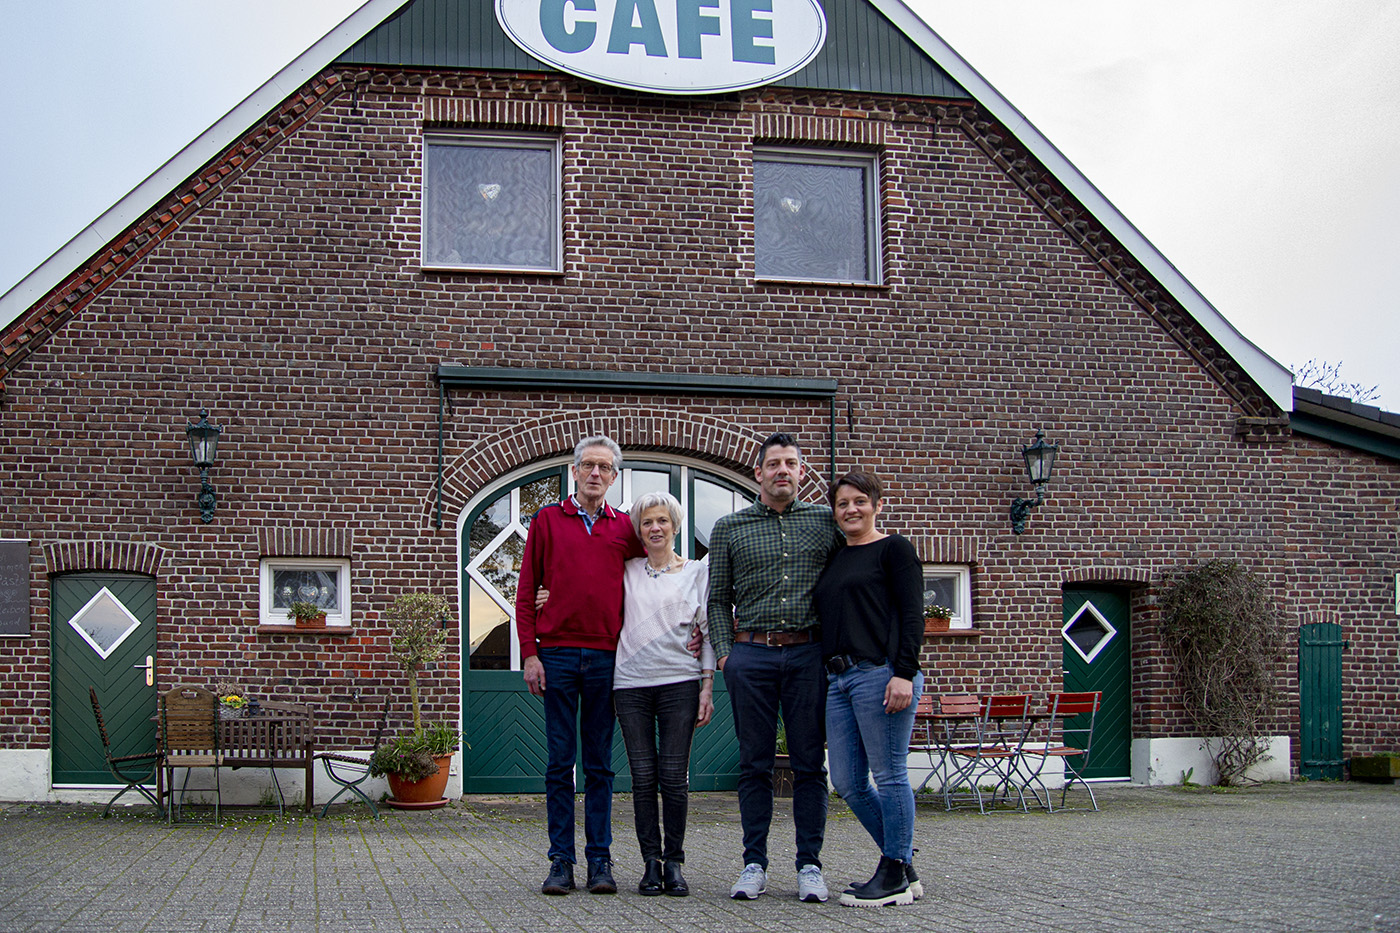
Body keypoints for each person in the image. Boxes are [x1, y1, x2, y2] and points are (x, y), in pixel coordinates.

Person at [707, 432, 844, 903]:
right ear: (758, 472)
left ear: (801, 472)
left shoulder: (828, 523)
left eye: (790, 463)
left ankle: (809, 865)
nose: (781, 470)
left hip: (809, 655)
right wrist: (727, 655)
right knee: (754, 765)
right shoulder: (730, 527)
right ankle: (754, 864)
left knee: (809, 763)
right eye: (773, 464)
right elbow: (717, 599)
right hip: (752, 657)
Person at [515, 435, 644, 896]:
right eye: (587, 465)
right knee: (558, 763)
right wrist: (530, 652)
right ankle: (560, 862)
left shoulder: (624, 529)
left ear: (614, 476)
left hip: (609, 657)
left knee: (600, 766)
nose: (595, 473)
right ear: (574, 471)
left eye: (604, 468)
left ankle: (600, 861)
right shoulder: (547, 521)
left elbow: (654, 575)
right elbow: (527, 590)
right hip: (558, 656)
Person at [813, 471, 925, 907]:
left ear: (877, 504)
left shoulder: (893, 548)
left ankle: (894, 873)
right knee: (847, 780)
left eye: (859, 501)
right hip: (838, 679)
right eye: (842, 504)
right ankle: (902, 864)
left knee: (891, 774)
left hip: (881, 674)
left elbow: (912, 614)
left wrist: (903, 672)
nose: (851, 510)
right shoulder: (838, 557)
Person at [611, 491, 715, 896]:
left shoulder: (695, 573)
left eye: (662, 521)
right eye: (647, 522)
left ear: (675, 526)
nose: (655, 528)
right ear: (639, 531)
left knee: (673, 778)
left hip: (680, 683)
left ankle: (675, 863)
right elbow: (589, 596)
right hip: (630, 685)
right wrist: (548, 596)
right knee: (642, 778)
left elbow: (705, 632)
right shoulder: (626, 570)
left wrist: (707, 684)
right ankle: (649, 864)